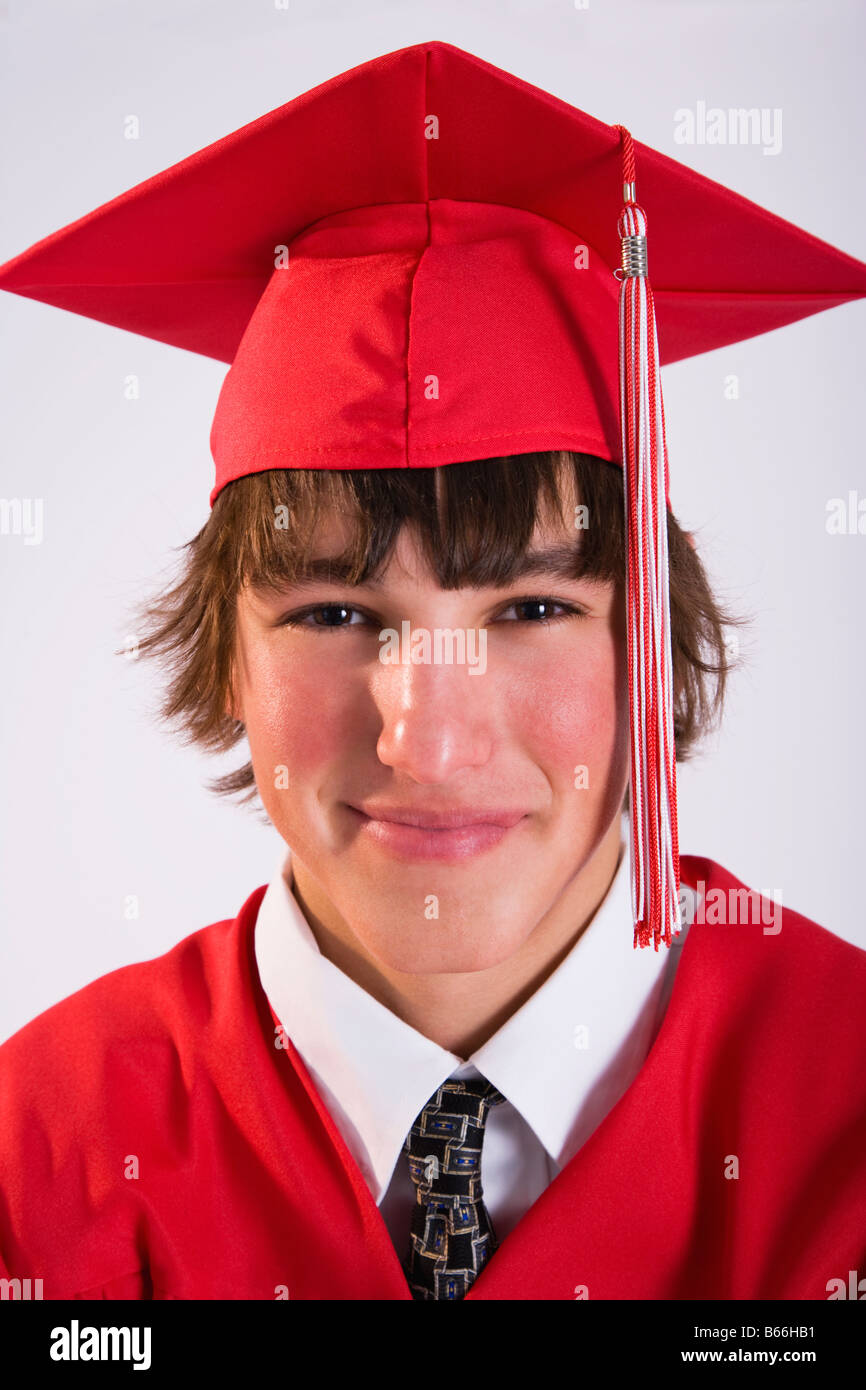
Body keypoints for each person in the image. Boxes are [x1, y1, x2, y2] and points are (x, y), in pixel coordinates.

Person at [1, 39, 865, 1302]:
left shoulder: (838, 1104)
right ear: (224, 654)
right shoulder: (43, 1159)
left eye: (528, 603)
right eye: (336, 612)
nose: (429, 735)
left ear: (648, 637)